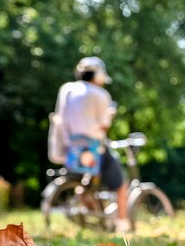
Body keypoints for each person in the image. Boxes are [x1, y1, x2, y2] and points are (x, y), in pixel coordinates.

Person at [53, 57, 130, 232]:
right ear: (98, 75)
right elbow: (104, 125)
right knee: (120, 183)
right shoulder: (101, 94)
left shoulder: (67, 89)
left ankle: (90, 216)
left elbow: (61, 118)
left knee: (85, 182)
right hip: (93, 147)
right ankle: (123, 223)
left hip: (70, 147)